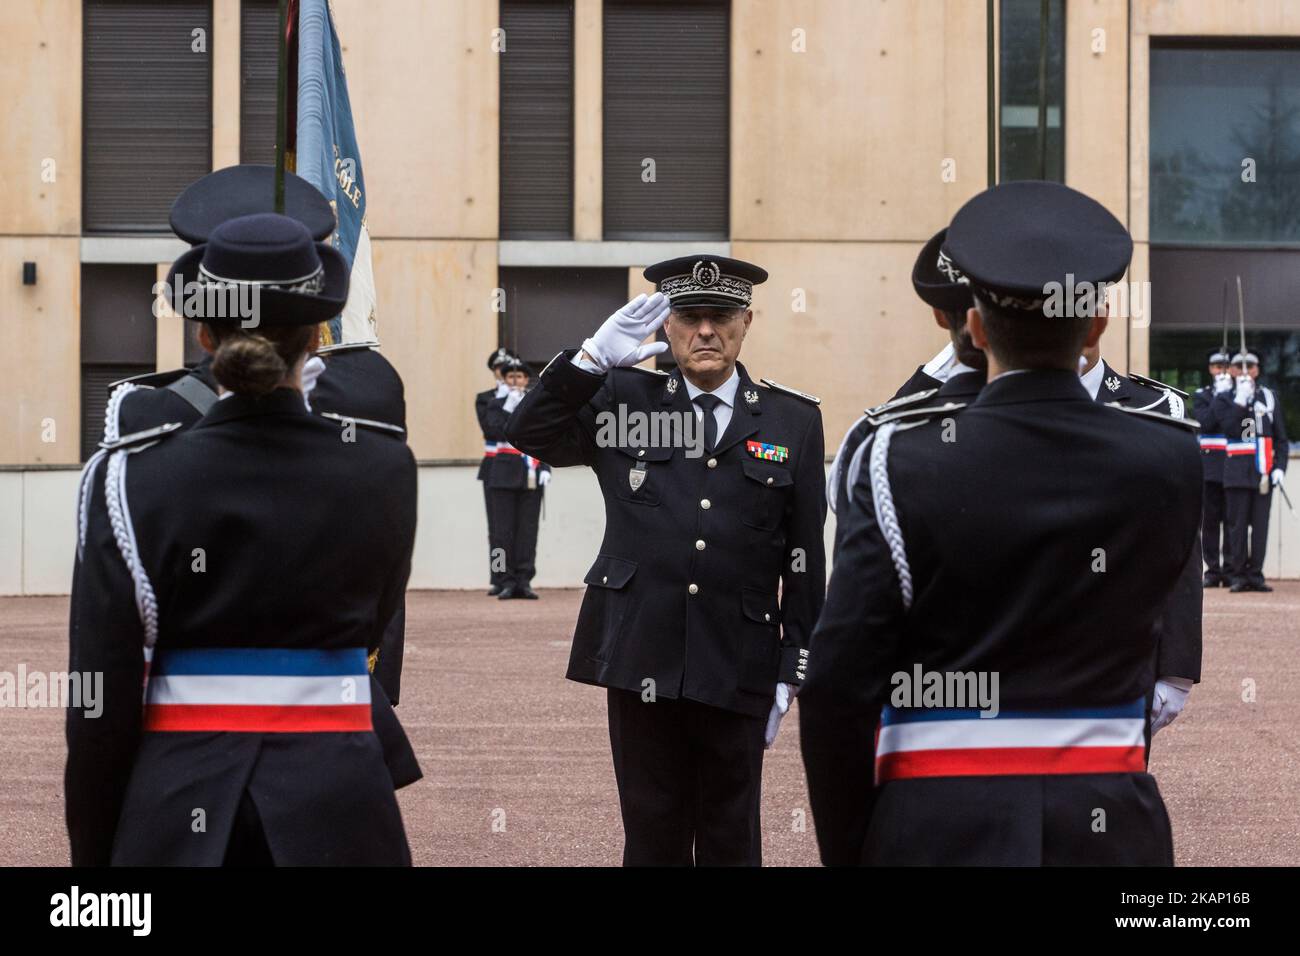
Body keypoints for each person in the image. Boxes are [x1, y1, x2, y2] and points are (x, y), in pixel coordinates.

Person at [799, 181, 1202, 866]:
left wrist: (854, 846)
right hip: (1109, 825)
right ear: (1097, 323)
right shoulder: (1169, 455)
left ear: (976, 329)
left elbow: (840, 685)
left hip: (935, 825)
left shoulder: (898, 457)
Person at [66, 213, 418, 865]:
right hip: (341, 806)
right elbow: (370, 627)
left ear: (203, 333)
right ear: (317, 335)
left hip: (177, 809)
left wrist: (94, 855)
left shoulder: (131, 476)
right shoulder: (384, 466)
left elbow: (102, 697)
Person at [505, 256, 826, 866]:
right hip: (639, 650)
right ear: (668, 327)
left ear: (747, 322)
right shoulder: (625, 397)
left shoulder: (793, 419)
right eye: (689, 317)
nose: (705, 331)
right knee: (652, 832)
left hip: (738, 655)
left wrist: (794, 664)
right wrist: (589, 362)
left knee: (732, 835)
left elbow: (805, 556)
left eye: (720, 317)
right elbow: (529, 434)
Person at [1213, 351, 1289, 592]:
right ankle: (1237, 575)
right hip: (1235, 471)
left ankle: (1255, 574)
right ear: (1232, 370)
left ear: (1257, 369)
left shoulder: (1269, 397)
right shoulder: (1224, 397)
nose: (1245, 370)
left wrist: (1280, 468)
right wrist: (1240, 402)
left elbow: (1281, 439)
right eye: (1239, 366)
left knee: (1260, 526)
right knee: (1236, 526)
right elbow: (1230, 428)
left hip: (1262, 471)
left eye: (1250, 365)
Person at [482, 358, 551, 599]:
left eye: (520, 377)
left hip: (530, 474)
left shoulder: (535, 404)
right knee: (502, 533)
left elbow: (545, 435)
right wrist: (507, 408)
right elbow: (492, 431)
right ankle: (504, 579)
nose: (515, 381)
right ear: (505, 379)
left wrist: (546, 469)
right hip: (502, 474)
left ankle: (524, 579)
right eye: (511, 377)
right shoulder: (495, 404)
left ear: (526, 380)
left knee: (528, 531)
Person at [476, 347, 517, 595]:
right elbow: (490, 430)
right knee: (498, 529)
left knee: (521, 527)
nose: (506, 375)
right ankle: (499, 577)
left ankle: (519, 578)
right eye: (501, 371)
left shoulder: (523, 396)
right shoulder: (485, 398)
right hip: (494, 467)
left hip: (522, 467)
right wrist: (502, 403)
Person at [1193, 349, 1233, 587]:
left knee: (1231, 522)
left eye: (1224, 367)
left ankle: (1230, 568)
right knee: (1210, 522)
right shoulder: (1202, 395)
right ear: (1210, 369)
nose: (1220, 371)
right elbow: (1205, 423)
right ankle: (1213, 569)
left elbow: (1234, 425)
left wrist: (1229, 397)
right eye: (1217, 367)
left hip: (1230, 465)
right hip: (1209, 466)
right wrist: (1221, 398)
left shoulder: (1238, 395)